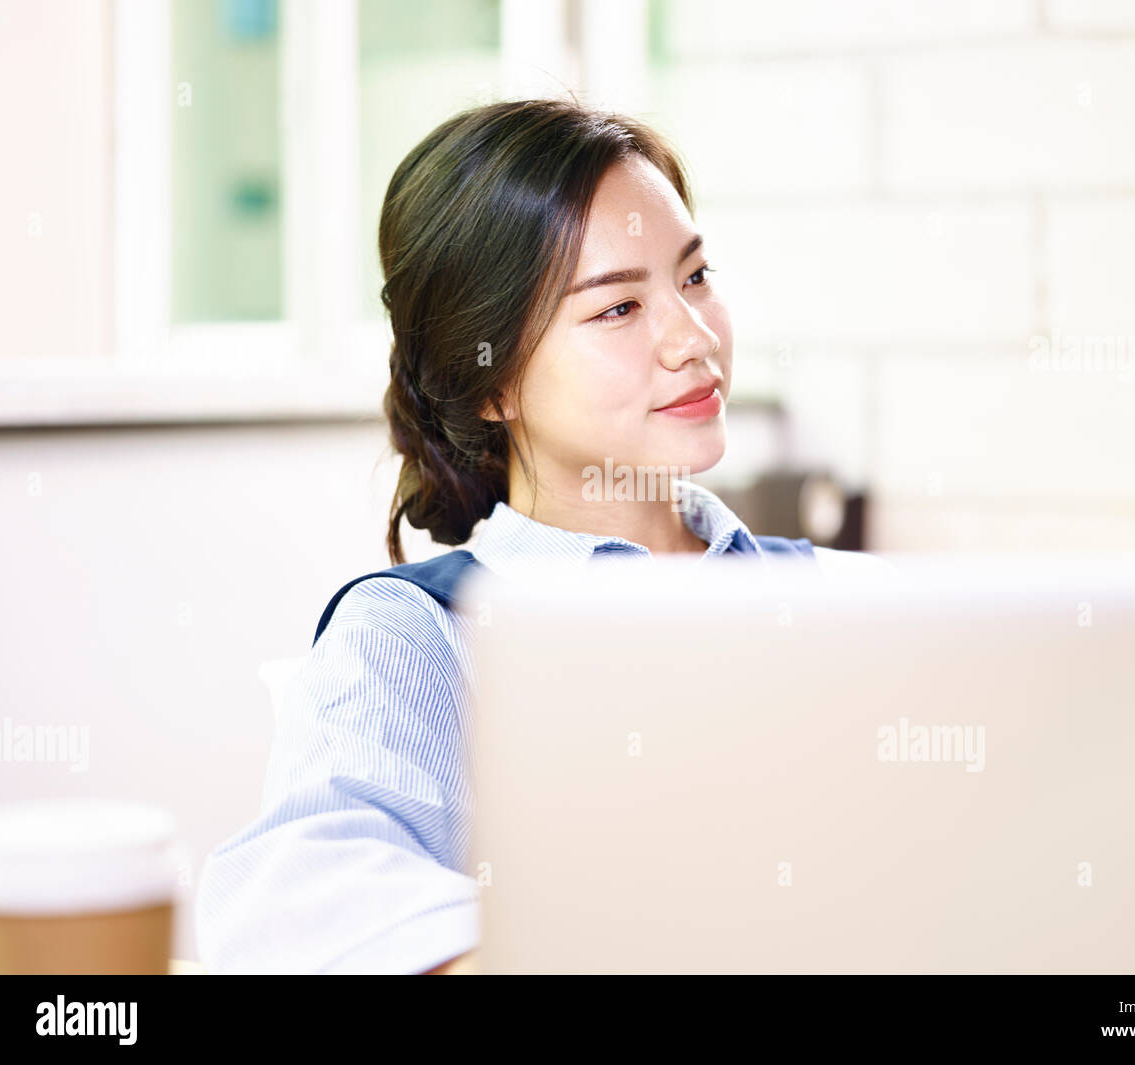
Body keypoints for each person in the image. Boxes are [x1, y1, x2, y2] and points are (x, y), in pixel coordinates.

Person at [194, 97, 885, 975]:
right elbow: (292, 906)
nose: (694, 335)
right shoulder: (420, 638)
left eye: (695, 275)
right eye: (616, 309)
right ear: (492, 385)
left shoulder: (844, 601)